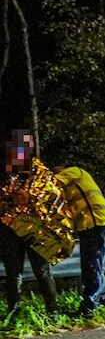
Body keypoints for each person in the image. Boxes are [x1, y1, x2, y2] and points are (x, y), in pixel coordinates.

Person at [1, 130, 74, 317]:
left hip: (36, 230)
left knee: (41, 271)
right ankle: (13, 312)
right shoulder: (6, 174)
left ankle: (52, 310)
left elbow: (51, 196)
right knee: (13, 273)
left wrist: (27, 197)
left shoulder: (40, 173)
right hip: (11, 229)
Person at [51, 158, 105, 315]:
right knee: (93, 264)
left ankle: (89, 306)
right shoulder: (69, 190)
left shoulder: (74, 171)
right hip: (90, 227)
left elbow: (51, 183)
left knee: (91, 266)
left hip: (97, 224)